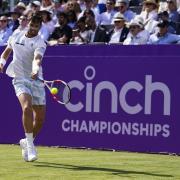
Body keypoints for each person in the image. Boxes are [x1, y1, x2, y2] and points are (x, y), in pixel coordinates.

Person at [0, 14, 47, 162]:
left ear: (39, 28)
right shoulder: (16, 35)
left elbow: (37, 58)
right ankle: (31, 147)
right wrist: (1, 62)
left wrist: (35, 69)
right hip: (20, 79)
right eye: (32, 25)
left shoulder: (40, 42)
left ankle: (26, 142)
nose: (33, 29)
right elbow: (7, 52)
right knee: (26, 108)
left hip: (36, 80)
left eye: (37, 27)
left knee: (40, 119)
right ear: (28, 23)